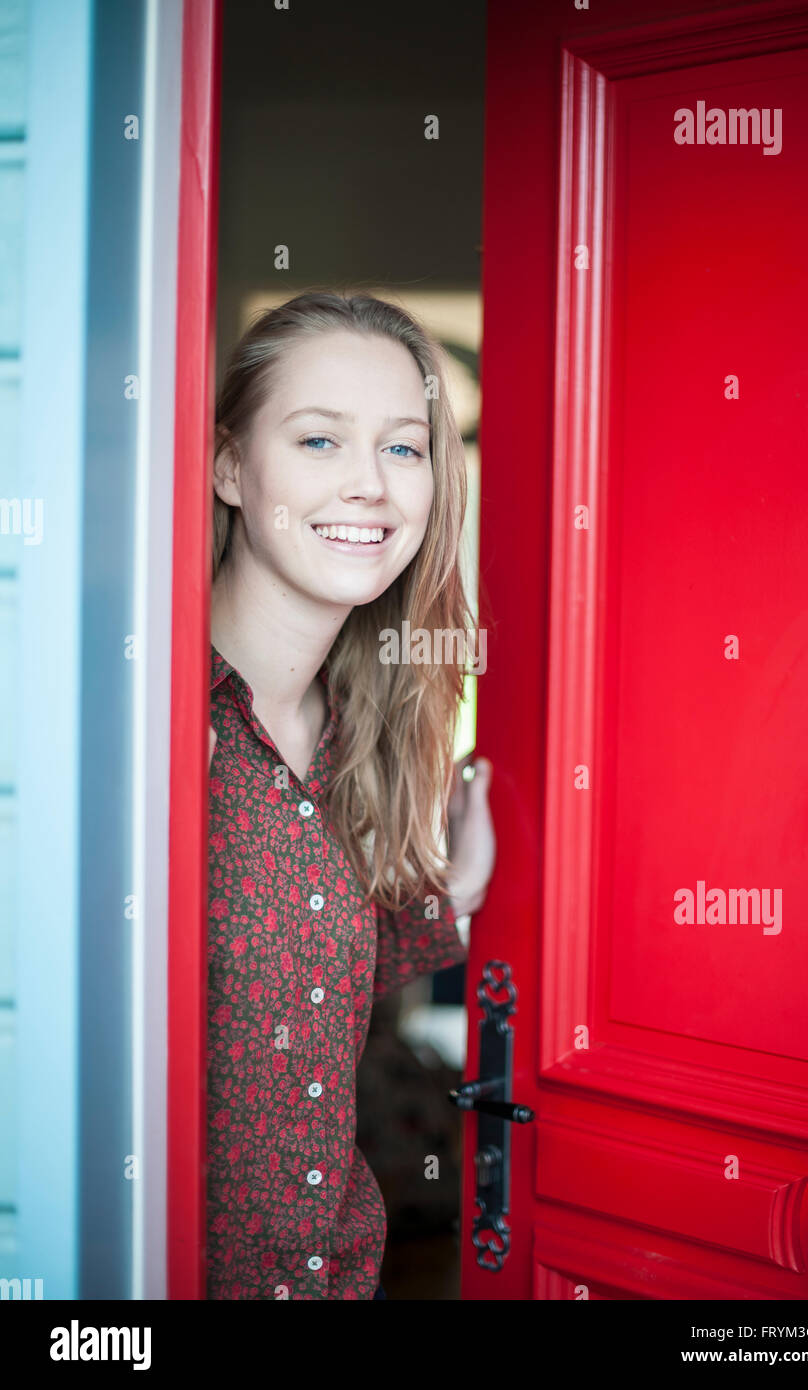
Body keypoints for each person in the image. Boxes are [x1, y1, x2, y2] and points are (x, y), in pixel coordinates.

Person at [205, 291, 496, 1300]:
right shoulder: (137, 722)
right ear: (230, 465)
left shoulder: (358, 730)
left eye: (404, 448)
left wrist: (449, 894)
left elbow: (296, 994)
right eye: (320, 439)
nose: (370, 485)